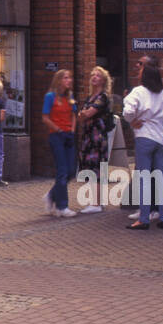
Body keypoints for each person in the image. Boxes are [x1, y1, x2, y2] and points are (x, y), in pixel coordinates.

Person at [122, 55, 163, 229]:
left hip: (144, 138)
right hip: (162, 140)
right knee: (161, 178)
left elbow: (127, 112)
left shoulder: (138, 92)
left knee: (144, 179)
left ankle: (143, 218)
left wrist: (132, 120)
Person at [42, 69, 79, 217]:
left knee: (71, 171)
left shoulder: (70, 97)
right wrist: (58, 130)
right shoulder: (50, 97)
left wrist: (72, 130)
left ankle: (51, 195)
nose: (69, 80)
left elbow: (74, 115)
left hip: (68, 136)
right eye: (65, 78)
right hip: (56, 136)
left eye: (70, 77)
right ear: (58, 81)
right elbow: (45, 117)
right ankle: (62, 206)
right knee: (62, 170)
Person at [77, 66, 113, 214]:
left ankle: (96, 203)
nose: (94, 77)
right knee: (90, 167)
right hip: (88, 135)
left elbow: (88, 113)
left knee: (96, 168)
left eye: (97, 75)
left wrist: (84, 114)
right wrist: (83, 114)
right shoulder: (90, 97)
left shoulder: (102, 97)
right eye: (92, 75)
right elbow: (81, 115)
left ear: (103, 80)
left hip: (97, 137)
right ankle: (97, 200)